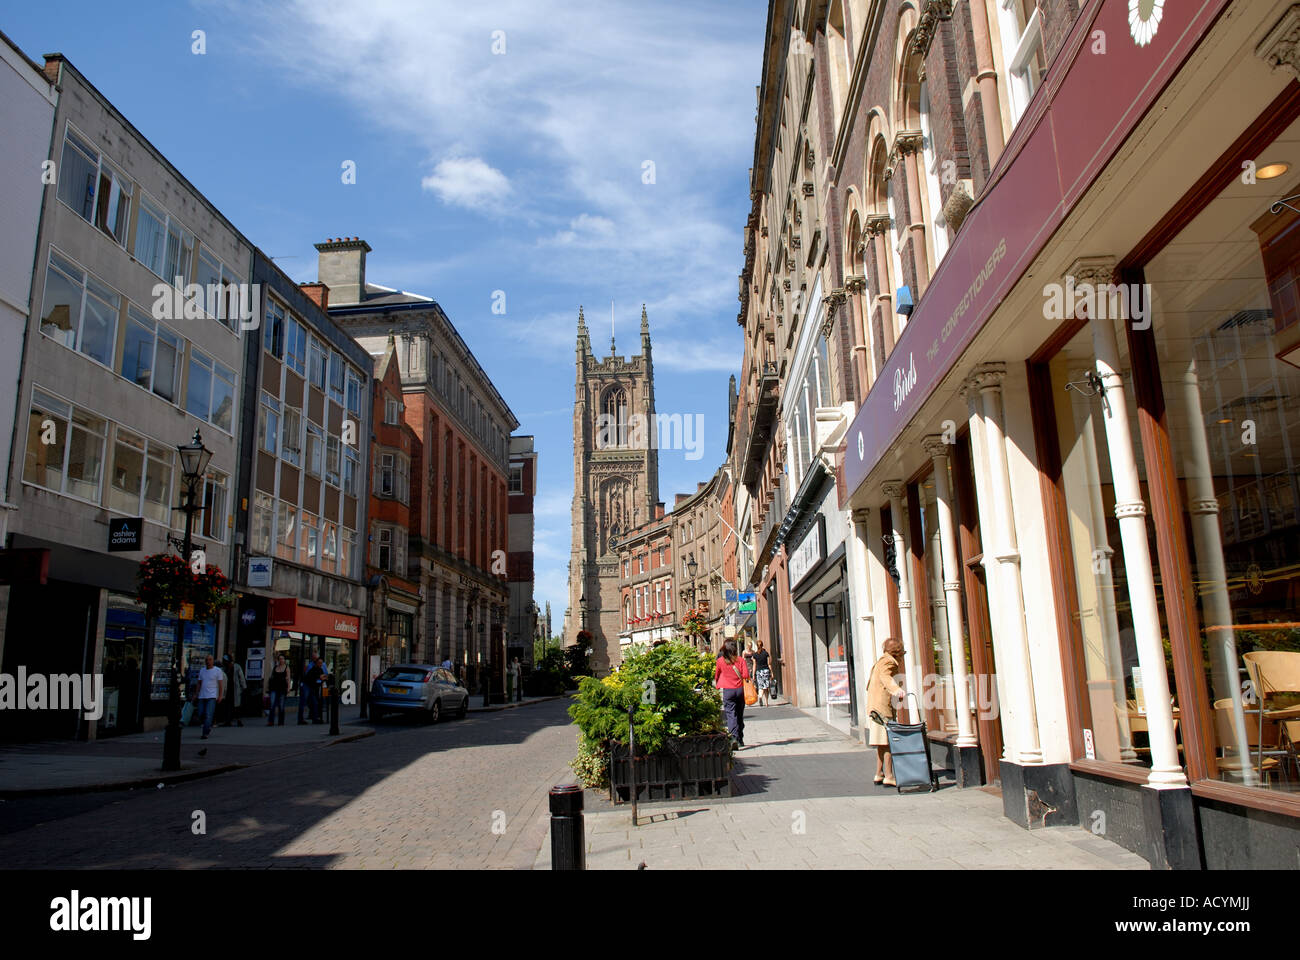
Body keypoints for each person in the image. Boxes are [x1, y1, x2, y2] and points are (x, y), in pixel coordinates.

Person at [867, 638, 907, 787]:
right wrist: (897, 690)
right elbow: (885, 677)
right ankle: (889, 775)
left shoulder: (882, 660)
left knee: (881, 742)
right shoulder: (888, 662)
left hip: (875, 707)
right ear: (898, 652)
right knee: (888, 742)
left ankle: (879, 773)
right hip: (882, 708)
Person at [714, 639, 751, 749]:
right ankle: (740, 738)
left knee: (731, 715)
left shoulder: (720, 661)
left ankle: (733, 737)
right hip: (740, 690)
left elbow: (717, 675)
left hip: (728, 691)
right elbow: (745, 675)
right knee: (739, 714)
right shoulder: (740, 660)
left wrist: (717, 684)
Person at [192, 654, 225, 740]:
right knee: (200, 713)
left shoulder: (217, 671)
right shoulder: (202, 670)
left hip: (212, 696)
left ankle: (205, 732)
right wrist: (196, 693)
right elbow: (199, 683)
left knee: (208, 714)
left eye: (210, 660)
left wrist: (220, 695)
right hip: (202, 695)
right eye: (207, 660)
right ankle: (207, 726)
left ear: (213, 661)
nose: (208, 661)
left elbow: (221, 684)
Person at [219, 654, 246, 727]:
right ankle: (228, 721)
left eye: (226, 661)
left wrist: (243, 687)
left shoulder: (237, 667)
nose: (225, 663)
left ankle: (238, 720)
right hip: (227, 689)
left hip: (235, 689)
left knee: (236, 706)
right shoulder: (224, 668)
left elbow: (241, 677)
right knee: (228, 705)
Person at [300, 654, 325, 724]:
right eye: (319, 663)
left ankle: (315, 719)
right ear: (316, 663)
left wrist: (323, 679)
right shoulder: (313, 669)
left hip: (312, 687)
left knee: (315, 703)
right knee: (303, 702)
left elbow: (322, 678)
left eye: (321, 663)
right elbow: (319, 677)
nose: (321, 664)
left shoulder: (320, 670)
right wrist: (321, 678)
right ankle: (300, 719)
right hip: (306, 686)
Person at [267, 654, 290, 726]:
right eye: (280, 659)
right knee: (272, 704)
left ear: (284, 660)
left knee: (281, 705)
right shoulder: (275, 668)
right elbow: (271, 678)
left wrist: (288, 688)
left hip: (282, 688)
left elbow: (288, 678)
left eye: (282, 659)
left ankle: (281, 721)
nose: (281, 660)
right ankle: (271, 721)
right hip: (274, 688)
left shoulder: (286, 668)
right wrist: (268, 687)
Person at [753, 639, 772, 707]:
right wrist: (772, 672)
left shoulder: (755, 655)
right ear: (762, 645)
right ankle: (766, 702)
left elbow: (754, 665)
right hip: (766, 671)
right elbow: (769, 664)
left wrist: (753, 674)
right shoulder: (766, 653)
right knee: (766, 687)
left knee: (760, 687)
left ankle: (760, 697)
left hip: (759, 671)